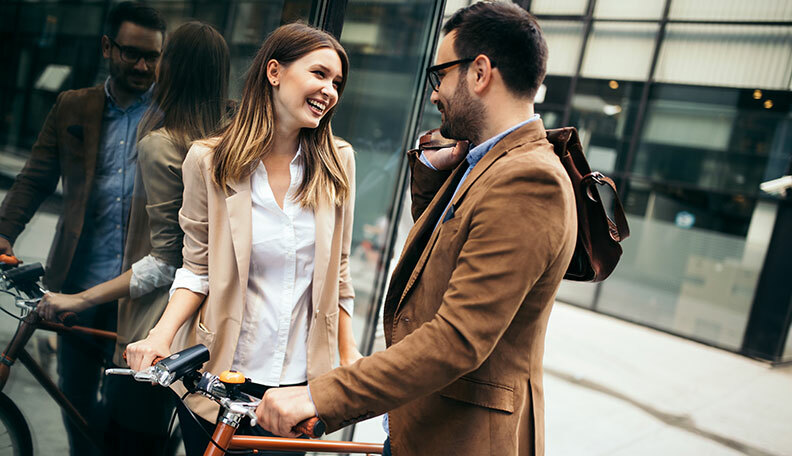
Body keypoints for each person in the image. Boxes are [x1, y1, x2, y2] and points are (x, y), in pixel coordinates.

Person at [256, 3, 577, 456]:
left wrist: (318, 395)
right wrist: (431, 170)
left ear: (480, 72)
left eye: (440, 75)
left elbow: (458, 338)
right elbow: (440, 259)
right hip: (423, 427)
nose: (434, 94)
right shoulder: (488, 162)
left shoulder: (528, 180)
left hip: (463, 442)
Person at [126, 22, 361, 456]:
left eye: (337, 82)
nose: (330, 90)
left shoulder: (338, 162)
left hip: (297, 389)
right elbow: (196, 268)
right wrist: (160, 335)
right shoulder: (208, 161)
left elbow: (340, 273)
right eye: (319, 74)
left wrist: (349, 361)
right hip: (223, 377)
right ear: (274, 72)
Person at [37, 21, 231, 454]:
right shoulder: (231, 139)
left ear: (171, 69)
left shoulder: (162, 144)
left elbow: (166, 261)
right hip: (215, 327)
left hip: (158, 326)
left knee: (128, 441)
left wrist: (78, 299)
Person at [0, 3, 165, 454]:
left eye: (152, 56)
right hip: (76, 282)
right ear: (107, 48)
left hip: (142, 296)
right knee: (72, 395)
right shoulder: (75, 105)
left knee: (128, 407)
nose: (143, 65)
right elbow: (35, 176)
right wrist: (4, 232)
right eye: (132, 53)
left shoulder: (172, 115)